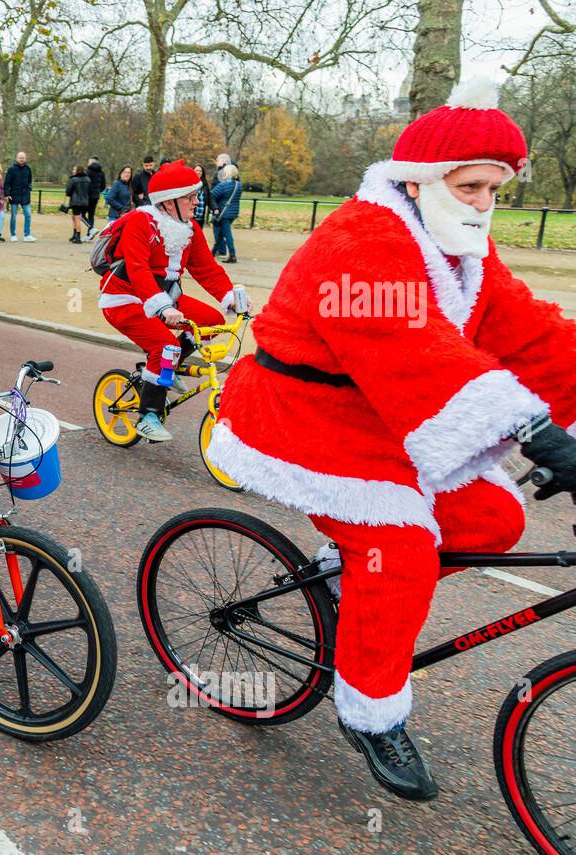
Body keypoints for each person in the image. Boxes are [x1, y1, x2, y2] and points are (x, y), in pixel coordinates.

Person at [206, 78, 576, 802]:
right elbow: (422, 352)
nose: (483, 204)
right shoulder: (360, 239)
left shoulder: (458, 239)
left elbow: (527, 331)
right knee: (401, 548)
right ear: (423, 179)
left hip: (386, 416)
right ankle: (370, 710)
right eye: (471, 186)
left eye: (494, 190)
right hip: (305, 419)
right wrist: (535, 433)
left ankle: (352, 579)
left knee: (494, 518)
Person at [98, 160, 243, 442]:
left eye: (196, 194)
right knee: (165, 345)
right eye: (189, 196)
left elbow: (208, 270)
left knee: (213, 321)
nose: (196, 201)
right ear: (168, 201)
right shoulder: (141, 222)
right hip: (124, 298)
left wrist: (232, 300)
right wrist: (161, 307)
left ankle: (169, 365)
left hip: (167, 299)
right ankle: (148, 415)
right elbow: (138, 270)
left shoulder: (190, 229)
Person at [209, 163, 242, 262]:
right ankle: (212, 253)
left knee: (227, 234)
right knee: (222, 234)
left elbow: (211, 196)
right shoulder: (238, 185)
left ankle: (232, 255)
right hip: (233, 213)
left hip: (223, 213)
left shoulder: (223, 185)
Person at [3, 151, 36, 241]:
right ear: (17, 158)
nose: (21, 159)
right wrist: (7, 194)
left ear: (25, 159)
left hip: (25, 196)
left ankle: (27, 235)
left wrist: (29, 188)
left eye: (23, 158)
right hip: (14, 196)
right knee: (13, 216)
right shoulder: (11, 169)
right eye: (20, 157)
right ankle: (13, 235)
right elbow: (7, 183)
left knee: (28, 215)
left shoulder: (28, 169)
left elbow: (30, 180)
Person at [64, 164, 92, 243]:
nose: (73, 171)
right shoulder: (88, 179)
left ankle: (78, 237)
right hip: (85, 202)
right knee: (75, 218)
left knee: (77, 219)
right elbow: (90, 191)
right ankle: (74, 235)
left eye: (74, 169)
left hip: (76, 202)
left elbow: (68, 191)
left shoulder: (73, 179)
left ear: (78, 171)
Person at [85, 156, 107, 238]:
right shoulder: (101, 173)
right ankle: (90, 233)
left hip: (87, 196)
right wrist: (97, 191)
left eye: (89, 162)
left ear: (92, 162)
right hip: (96, 196)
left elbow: (86, 184)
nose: (88, 163)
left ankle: (91, 229)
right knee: (91, 214)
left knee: (81, 214)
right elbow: (103, 185)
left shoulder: (88, 171)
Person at [191, 163, 211, 230]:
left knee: (199, 237)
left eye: (200, 171)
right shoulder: (189, 183)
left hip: (201, 217)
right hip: (191, 216)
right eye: (197, 170)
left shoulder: (204, 184)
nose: (199, 172)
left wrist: (215, 208)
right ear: (193, 171)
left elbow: (210, 198)